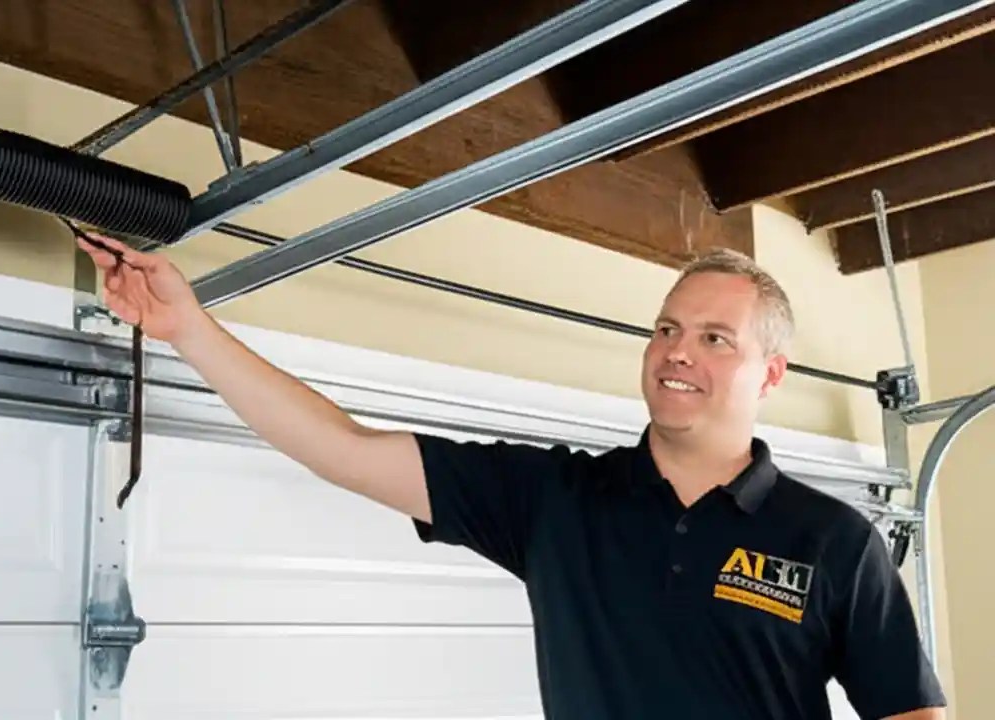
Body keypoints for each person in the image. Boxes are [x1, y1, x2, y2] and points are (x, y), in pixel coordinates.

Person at [77, 232, 946, 720]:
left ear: (770, 373)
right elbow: (340, 448)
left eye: (714, 338)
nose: (677, 352)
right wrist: (187, 327)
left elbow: (909, 714)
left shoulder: (833, 542)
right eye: (665, 329)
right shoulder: (558, 501)